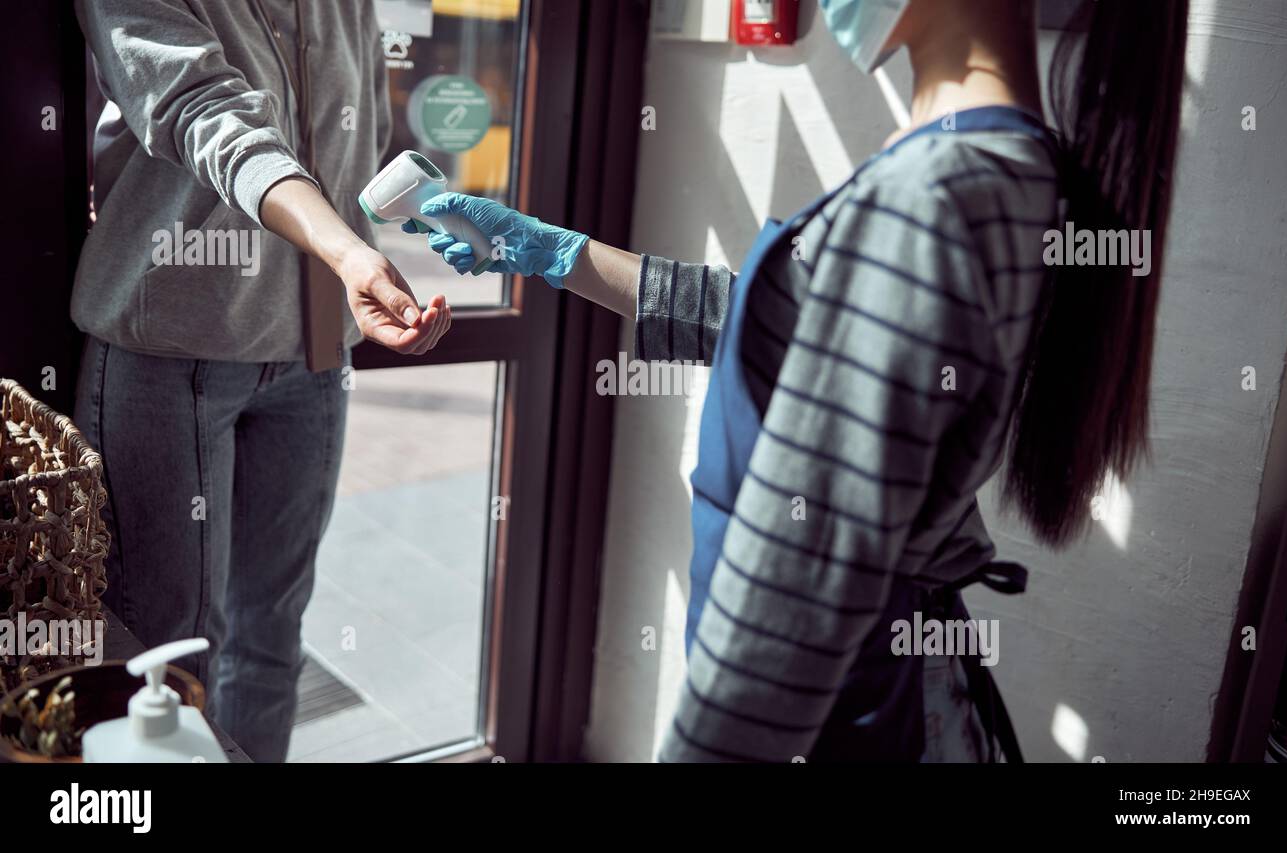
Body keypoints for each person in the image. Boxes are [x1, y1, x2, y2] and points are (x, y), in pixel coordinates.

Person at [408, 0, 1188, 761]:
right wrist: (553, 250)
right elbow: (796, 334)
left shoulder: (931, 197)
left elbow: (782, 618)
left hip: (835, 713)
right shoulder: (1009, 169)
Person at [72, 0, 449, 762]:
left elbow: (357, 148)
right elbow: (203, 110)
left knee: (272, 637)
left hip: (312, 350)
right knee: (167, 658)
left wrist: (387, 244)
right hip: (170, 342)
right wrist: (348, 255)